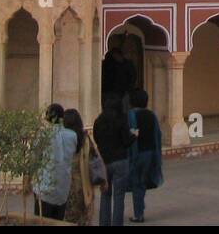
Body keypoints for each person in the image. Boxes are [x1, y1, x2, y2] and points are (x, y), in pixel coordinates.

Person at [93, 94, 132, 226]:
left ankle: (104, 223)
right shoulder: (122, 120)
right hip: (120, 160)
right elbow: (126, 141)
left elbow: (96, 139)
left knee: (105, 194)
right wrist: (134, 136)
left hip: (104, 161)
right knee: (119, 196)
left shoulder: (98, 121)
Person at [126, 88, 163, 223]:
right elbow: (157, 134)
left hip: (137, 153)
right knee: (141, 182)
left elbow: (129, 135)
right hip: (150, 153)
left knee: (136, 183)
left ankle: (138, 213)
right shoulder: (151, 115)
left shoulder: (130, 116)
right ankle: (140, 209)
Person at [34, 103, 77, 220]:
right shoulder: (73, 136)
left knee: (42, 222)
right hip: (63, 190)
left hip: (44, 189)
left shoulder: (43, 135)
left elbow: (35, 159)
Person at [62, 108, 94, 225]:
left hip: (66, 186)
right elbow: (92, 161)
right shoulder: (85, 139)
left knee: (68, 219)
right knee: (83, 219)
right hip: (83, 186)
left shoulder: (62, 140)